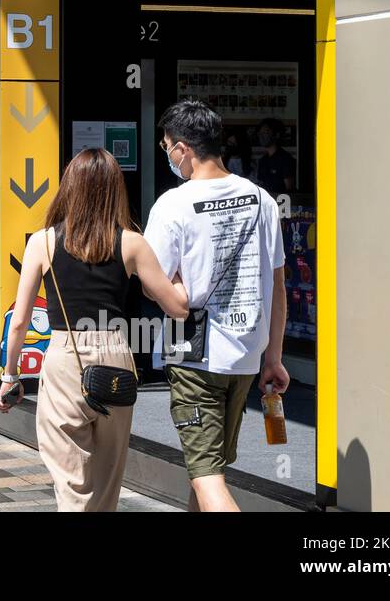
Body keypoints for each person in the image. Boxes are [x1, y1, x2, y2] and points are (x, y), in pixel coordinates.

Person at [0, 148, 190, 511]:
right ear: (115, 189)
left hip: (65, 356)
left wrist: (10, 376)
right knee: (107, 479)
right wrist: (178, 279)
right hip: (116, 354)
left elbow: (20, 320)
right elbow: (177, 308)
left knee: (71, 479)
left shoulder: (43, 241)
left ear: (70, 186)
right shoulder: (131, 242)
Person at [147, 99, 288, 512]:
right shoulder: (261, 199)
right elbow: (277, 285)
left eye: (167, 146)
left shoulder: (173, 204)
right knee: (208, 470)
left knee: (207, 477)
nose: (168, 155)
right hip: (245, 356)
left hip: (193, 355)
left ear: (183, 149)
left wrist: (171, 282)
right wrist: (273, 357)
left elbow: (157, 283)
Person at [254, 118, 296, 198]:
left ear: (276, 134)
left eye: (266, 132)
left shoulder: (285, 159)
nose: (262, 136)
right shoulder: (262, 160)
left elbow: (289, 189)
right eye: (260, 133)